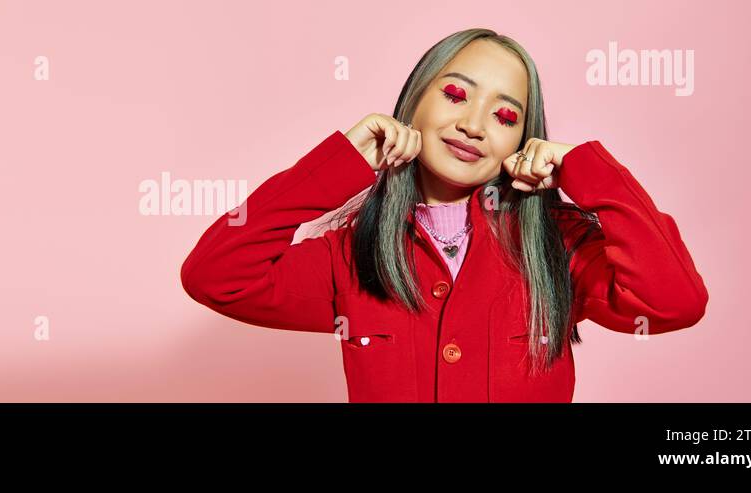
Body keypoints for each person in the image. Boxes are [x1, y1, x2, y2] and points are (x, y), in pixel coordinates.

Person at [180, 28, 708, 403]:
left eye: (504, 115)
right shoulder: (352, 252)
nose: (474, 125)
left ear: (523, 141)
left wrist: (584, 171)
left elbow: (675, 303)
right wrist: (338, 163)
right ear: (413, 104)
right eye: (456, 94)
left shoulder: (558, 246)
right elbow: (215, 276)